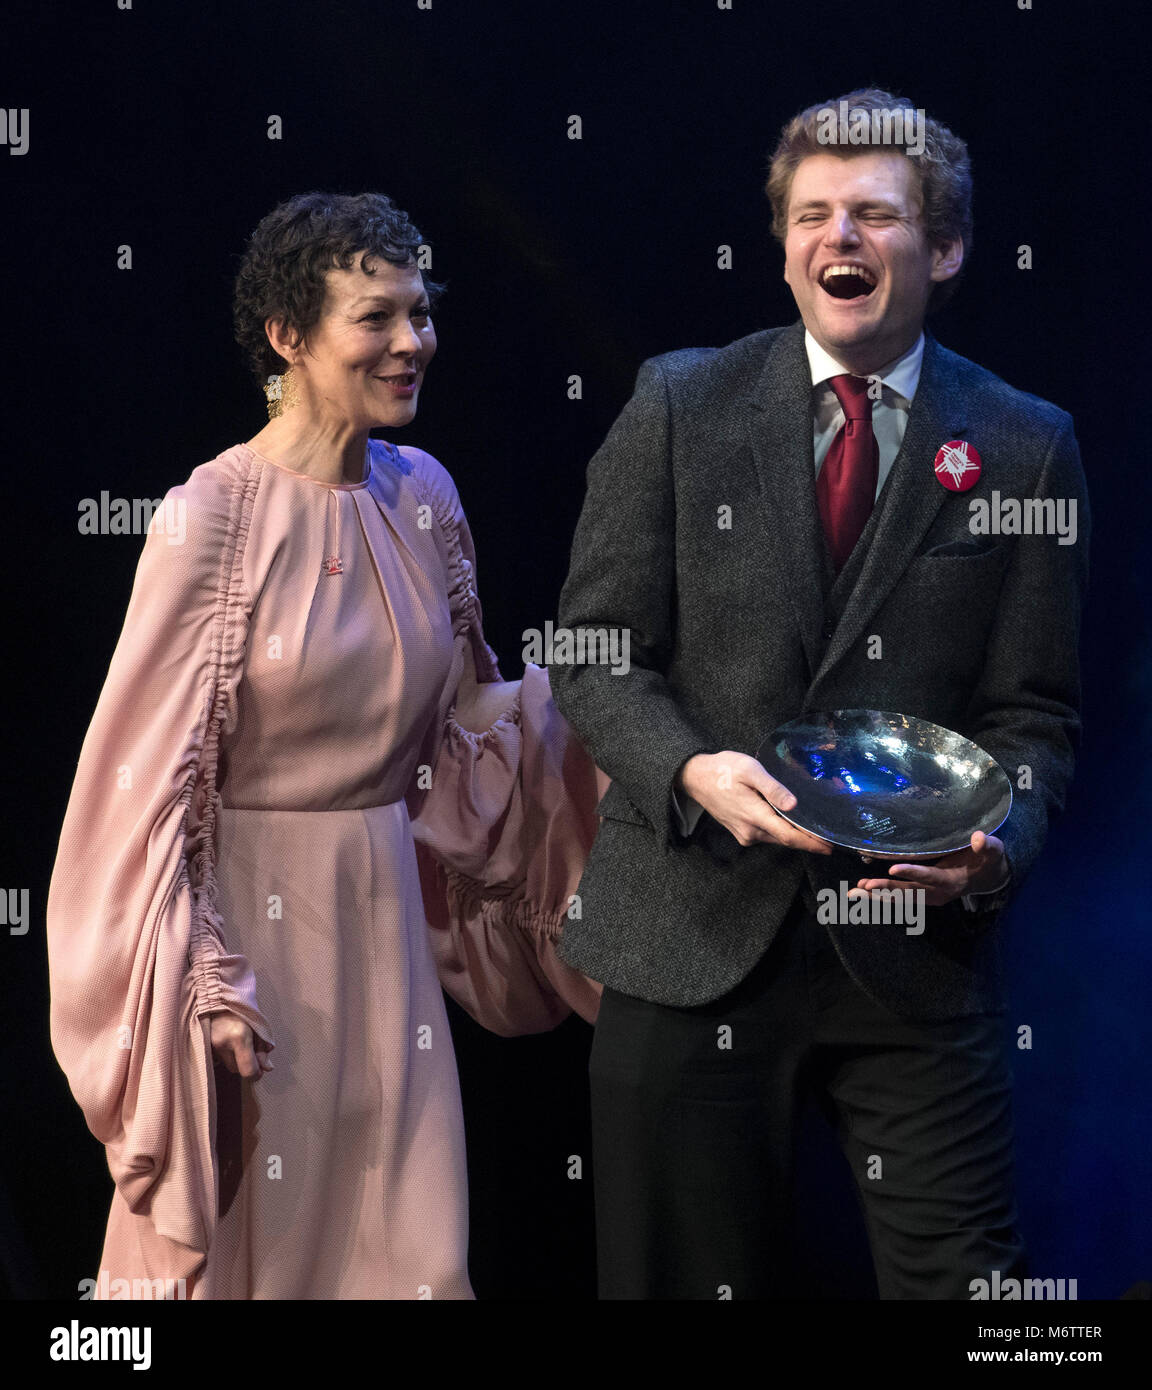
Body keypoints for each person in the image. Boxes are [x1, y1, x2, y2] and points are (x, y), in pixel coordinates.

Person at [550, 88, 1089, 1300]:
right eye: (813, 215)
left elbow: (1035, 717)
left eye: (874, 216)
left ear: (941, 250)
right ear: (786, 245)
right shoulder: (681, 402)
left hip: (915, 957)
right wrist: (691, 769)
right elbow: (589, 648)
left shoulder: (1024, 441)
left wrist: (994, 849)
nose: (838, 238)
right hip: (692, 929)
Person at [46, 191, 603, 1301]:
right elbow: (139, 790)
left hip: (383, 920)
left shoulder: (426, 496)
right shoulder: (213, 514)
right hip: (260, 936)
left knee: (412, 1253)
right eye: (376, 317)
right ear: (289, 338)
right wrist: (203, 979)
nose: (412, 343)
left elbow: (464, 730)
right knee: (269, 1247)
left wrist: (618, 722)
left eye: (421, 313)